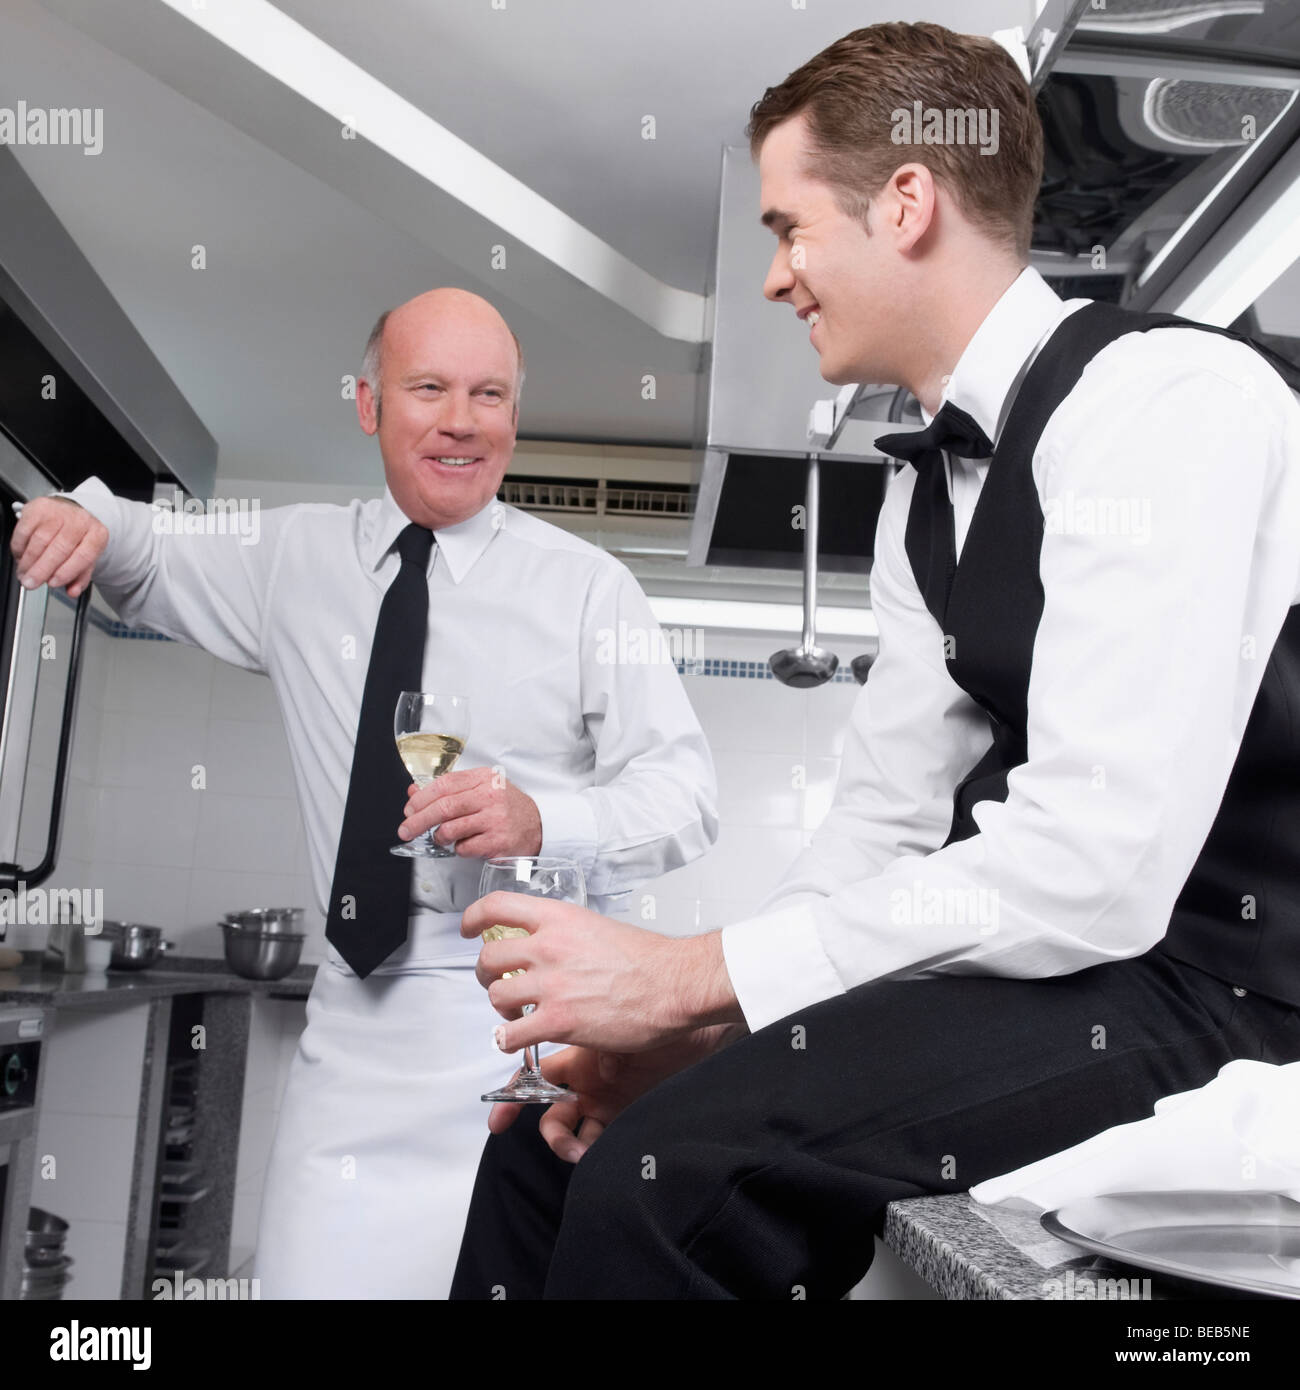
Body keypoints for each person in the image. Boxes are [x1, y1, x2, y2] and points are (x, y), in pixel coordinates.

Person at [447, 22, 1300, 1300]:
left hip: (1223, 992)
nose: (778, 278)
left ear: (905, 204)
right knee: (551, 1151)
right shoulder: (921, 501)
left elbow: (1095, 867)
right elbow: (882, 823)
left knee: (670, 1180)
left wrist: (684, 976)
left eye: (789, 229)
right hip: (1074, 977)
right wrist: (706, 1029)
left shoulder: (1175, 404)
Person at [9, 287, 718, 1297]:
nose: (461, 419)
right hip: (354, 1049)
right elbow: (148, 543)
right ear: (368, 403)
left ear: (515, 415)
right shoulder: (294, 557)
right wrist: (81, 515)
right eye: (428, 387)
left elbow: (686, 797)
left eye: (489, 394)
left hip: (528, 1044)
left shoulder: (588, 589)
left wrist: (543, 817)